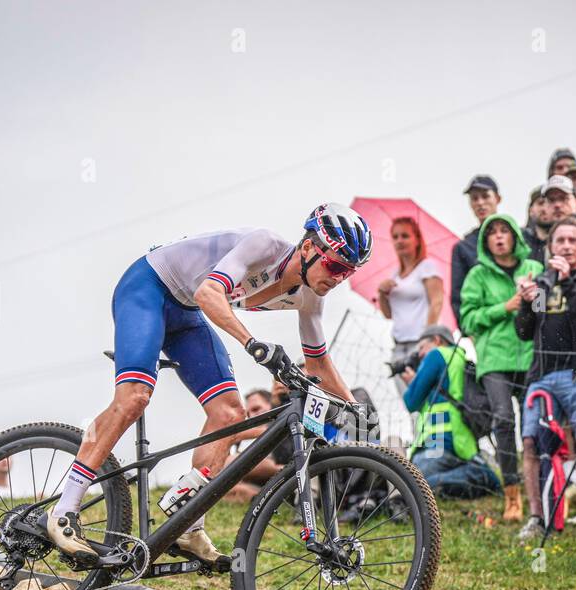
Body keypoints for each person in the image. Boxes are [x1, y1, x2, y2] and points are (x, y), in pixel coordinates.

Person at [46, 202, 370, 566]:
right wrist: (252, 343)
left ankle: (188, 524)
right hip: (149, 287)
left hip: (186, 314)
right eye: (336, 265)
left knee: (230, 413)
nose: (339, 277)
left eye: (349, 272)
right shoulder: (265, 245)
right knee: (135, 397)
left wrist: (355, 409)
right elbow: (208, 294)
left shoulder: (309, 297)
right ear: (309, 248)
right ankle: (64, 510)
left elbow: (319, 362)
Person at [513, 218, 576, 543]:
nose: (567, 246)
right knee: (530, 442)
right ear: (550, 248)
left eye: (573, 240)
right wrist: (526, 304)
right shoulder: (542, 283)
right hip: (542, 376)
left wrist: (569, 282)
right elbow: (528, 331)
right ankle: (535, 517)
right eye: (560, 241)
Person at [459, 212, 541, 521]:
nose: (498, 236)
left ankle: (540, 495)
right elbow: (467, 319)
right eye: (491, 232)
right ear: (485, 241)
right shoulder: (477, 276)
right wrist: (504, 307)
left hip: (531, 356)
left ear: (515, 237)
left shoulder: (534, 269)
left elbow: (546, 310)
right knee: (504, 421)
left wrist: (534, 298)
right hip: (493, 359)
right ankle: (513, 498)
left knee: (535, 426)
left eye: (504, 230)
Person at [401, 325, 500, 499]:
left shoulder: (437, 355)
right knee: (416, 483)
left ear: (437, 340)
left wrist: (413, 381)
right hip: (461, 442)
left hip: (438, 441)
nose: (420, 354)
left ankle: (481, 475)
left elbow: (411, 401)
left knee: (412, 485)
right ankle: (478, 472)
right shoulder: (458, 358)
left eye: (422, 347)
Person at [379, 216, 443, 396]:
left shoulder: (427, 267)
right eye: (395, 236)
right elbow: (388, 314)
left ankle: (431, 426)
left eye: (405, 236)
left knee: (426, 400)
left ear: (417, 239)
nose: (399, 241)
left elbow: (436, 302)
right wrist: (382, 294)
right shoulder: (395, 275)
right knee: (410, 403)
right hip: (399, 348)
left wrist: (428, 338)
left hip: (420, 345)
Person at [449, 175, 501, 324]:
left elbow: (536, 277)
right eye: (474, 198)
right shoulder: (464, 247)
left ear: (497, 198)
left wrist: (539, 320)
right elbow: (457, 295)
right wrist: (468, 330)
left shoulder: (519, 238)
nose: (480, 203)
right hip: (485, 327)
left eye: (485, 196)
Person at [222, 388, 285, 503]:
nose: (252, 415)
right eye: (248, 413)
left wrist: (233, 436)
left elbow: (266, 429)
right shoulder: (249, 440)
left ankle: (287, 472)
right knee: (223, 488)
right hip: (264, 483)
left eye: (256, 409)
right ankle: (263, 500)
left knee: (230, 462)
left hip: (290, 466)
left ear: (271, 404)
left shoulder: (287, 419)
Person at [523, 187, 554, 263]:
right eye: (540, 203)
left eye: (549, 203)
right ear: (531, 210)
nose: (544, 209)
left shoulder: (565, 239)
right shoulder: (521, 240)